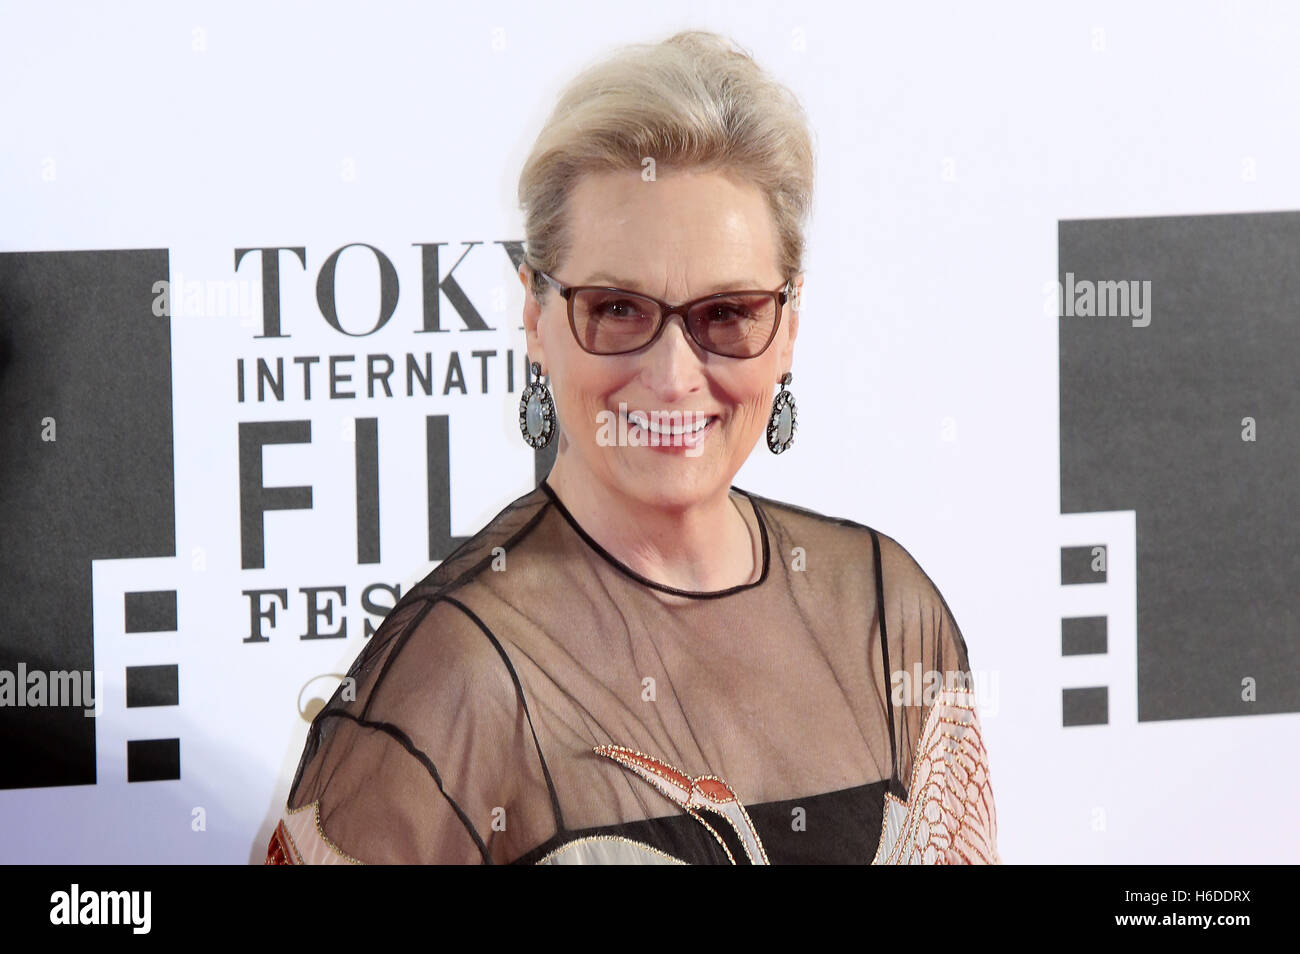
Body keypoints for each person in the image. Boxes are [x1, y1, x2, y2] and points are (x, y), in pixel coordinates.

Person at [265, 29, 1000, 865]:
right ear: (536, 319)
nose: (675, 375)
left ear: (788, 325)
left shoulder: (887, 615)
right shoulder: (455, 678)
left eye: (727, 313)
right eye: (618, 309)